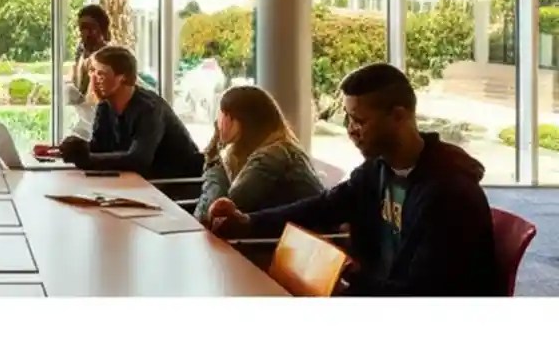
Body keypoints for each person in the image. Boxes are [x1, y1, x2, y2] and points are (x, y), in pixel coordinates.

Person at [208, 63, 503, 296]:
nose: (351, 130)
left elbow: (421, 295)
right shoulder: (377, 170)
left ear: (399, 116)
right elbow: (324, 206)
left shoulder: (448, 194)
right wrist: (248, 222)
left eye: (360, 121)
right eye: (348, 119)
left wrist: (344, 277)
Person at [58, 45, 204, 177]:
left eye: (101, 74)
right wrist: (75, 148)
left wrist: (87, 159)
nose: (93, 80)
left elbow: (139, 160)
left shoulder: (149, 109)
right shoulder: (105, 107)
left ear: (122, 78)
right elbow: (100, 149)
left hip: (177, 186)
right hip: (143, 184)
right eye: (92, 72)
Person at [193, 85, 323, 223]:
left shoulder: (272, 156)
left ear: (235, 121)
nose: (218, 123)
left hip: (291, 242)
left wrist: (215, 158)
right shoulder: (277, 149)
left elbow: (213, 217)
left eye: (222, 115)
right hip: (281, 237)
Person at [64, 4, 111, 139]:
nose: (85, 33)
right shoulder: (81, 56)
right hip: (85, 127)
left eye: (91, 28)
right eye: (82, 28)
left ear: (102, 30)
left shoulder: (109, 59)